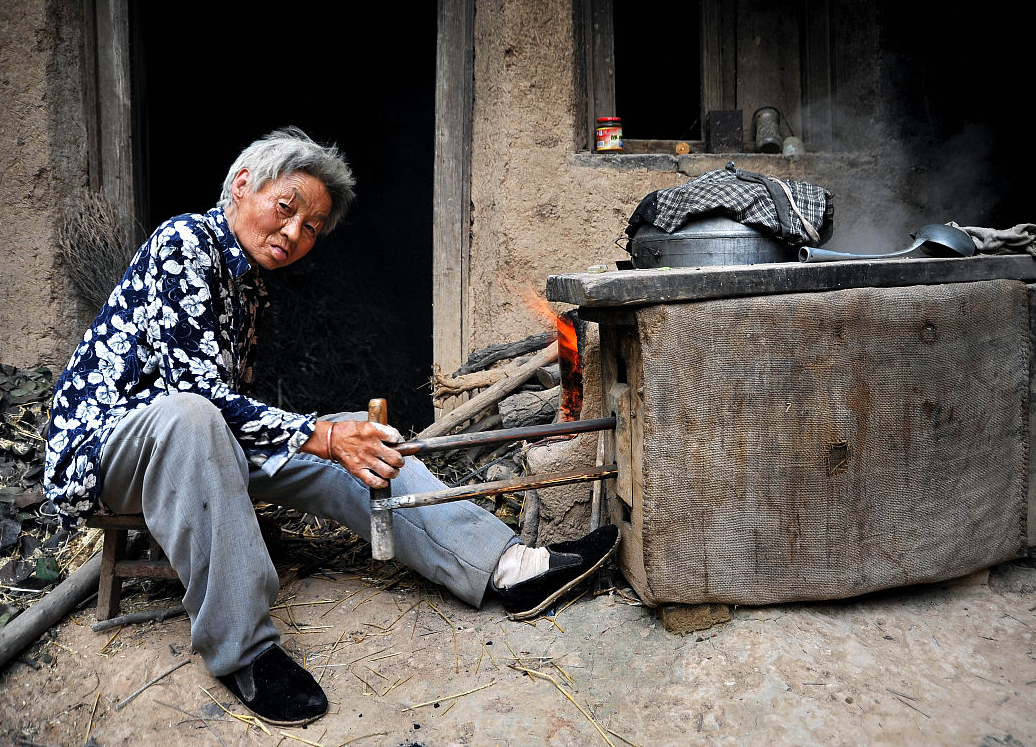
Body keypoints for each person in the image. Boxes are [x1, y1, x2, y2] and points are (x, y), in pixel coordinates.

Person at [43, 127, 619, 726]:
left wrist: (330, 437)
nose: (294, 233)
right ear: (242, 185)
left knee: (355, 437)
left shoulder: (247, 288)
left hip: (197, 441)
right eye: (286, 208)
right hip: (109, 452)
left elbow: (228, 410)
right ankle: (246, 653)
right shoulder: (185, 242)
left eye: (312, 228)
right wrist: (315, 436)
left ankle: (505, 568)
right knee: (203, 418)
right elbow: (199, 398)